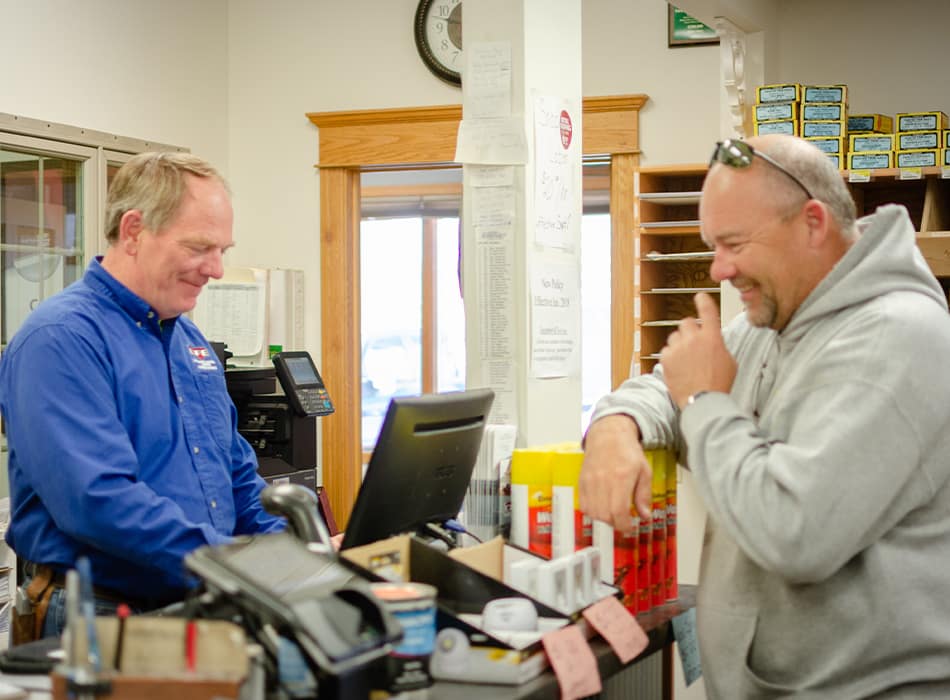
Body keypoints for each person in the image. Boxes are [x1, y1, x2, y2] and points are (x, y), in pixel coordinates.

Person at [580, 134, 950, 697]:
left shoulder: (895, 338)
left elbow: (794, 533)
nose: (717, 270)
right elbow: (664, 384)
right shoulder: (780, 324)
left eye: (732, 243)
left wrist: (705, 404)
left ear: (812, 223)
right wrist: (614, 427)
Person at [0, 152, 286, 641]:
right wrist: (232, 565)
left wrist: (294, 551)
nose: (216, 269)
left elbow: (234, 472)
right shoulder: (61, 339)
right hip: (100, 617)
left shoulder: (189, 340)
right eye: (200, 247)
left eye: (223, 249)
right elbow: (99, 501)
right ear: (133, 231)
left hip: (198, 599)